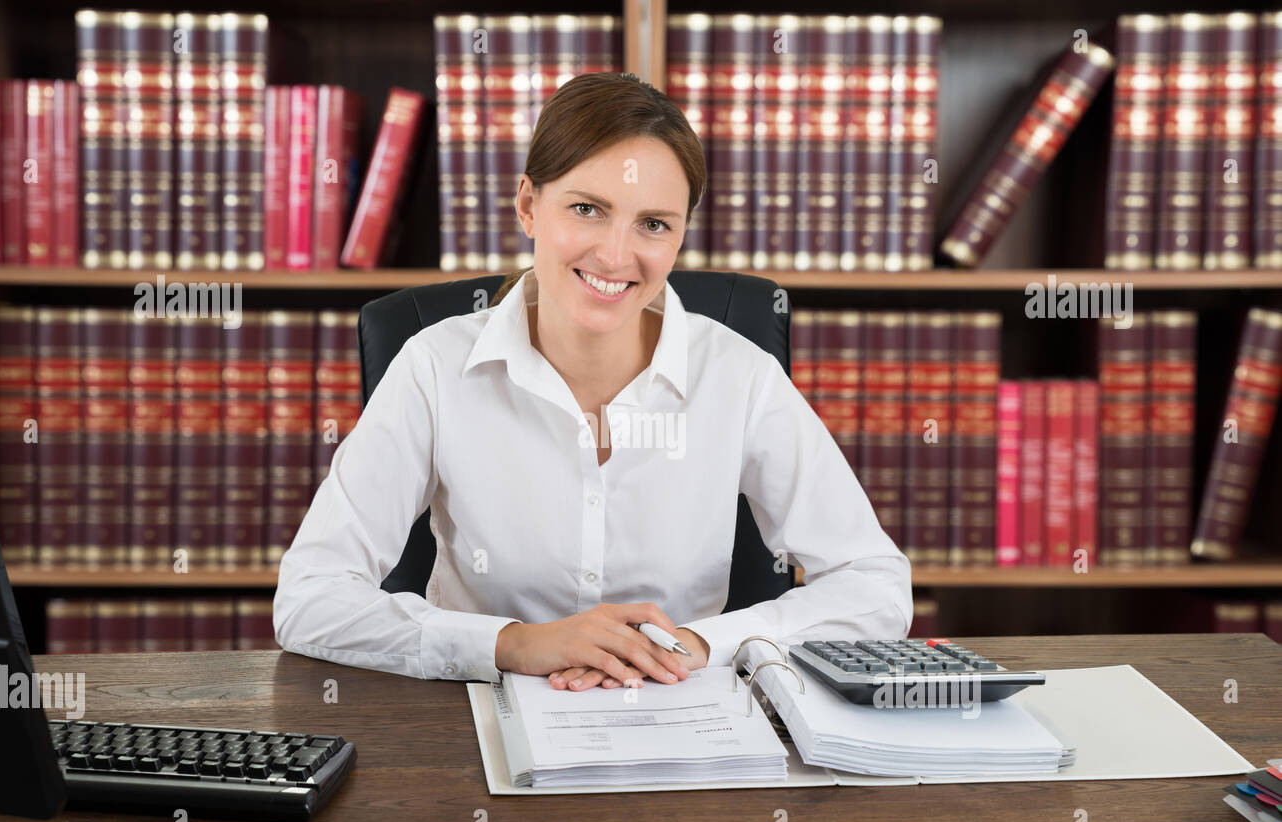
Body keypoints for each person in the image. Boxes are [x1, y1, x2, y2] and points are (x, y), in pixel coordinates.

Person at [273, 72, 912, 692]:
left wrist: (699, 646)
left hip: (682, 719)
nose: (614, 255)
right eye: (586, 208)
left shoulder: (739, 376)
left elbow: (875, 585)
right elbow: (310, 598)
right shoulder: (434, 367)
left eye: (653, 224)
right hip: (476, 732)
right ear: (528, 205)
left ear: (681, 235)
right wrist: (516, 643)